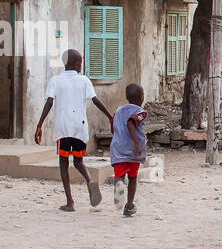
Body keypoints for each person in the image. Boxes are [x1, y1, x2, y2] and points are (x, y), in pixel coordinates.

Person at [34, 49, 114, 211]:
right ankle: (89, 179)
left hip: (63, 128)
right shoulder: (84, 80)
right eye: (80, 63)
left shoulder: (55, 80)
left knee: (63, 164)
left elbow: (49, 103)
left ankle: (70, 202)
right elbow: (96, 100)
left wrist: (39, 125)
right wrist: (110, 116)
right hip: (80, 126)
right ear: (74, 64)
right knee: (78, 161)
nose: (81, 66)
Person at [110, 82, 148, 218]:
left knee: (119, 175)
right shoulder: (140, 112)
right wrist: (136, 143)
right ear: (141, 97)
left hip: (118, 149)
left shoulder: (119, 110)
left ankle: (118, 186)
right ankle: (129, 205)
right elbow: (131, 123)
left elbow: (113, 126)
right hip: (133, 151)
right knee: (132, 177)